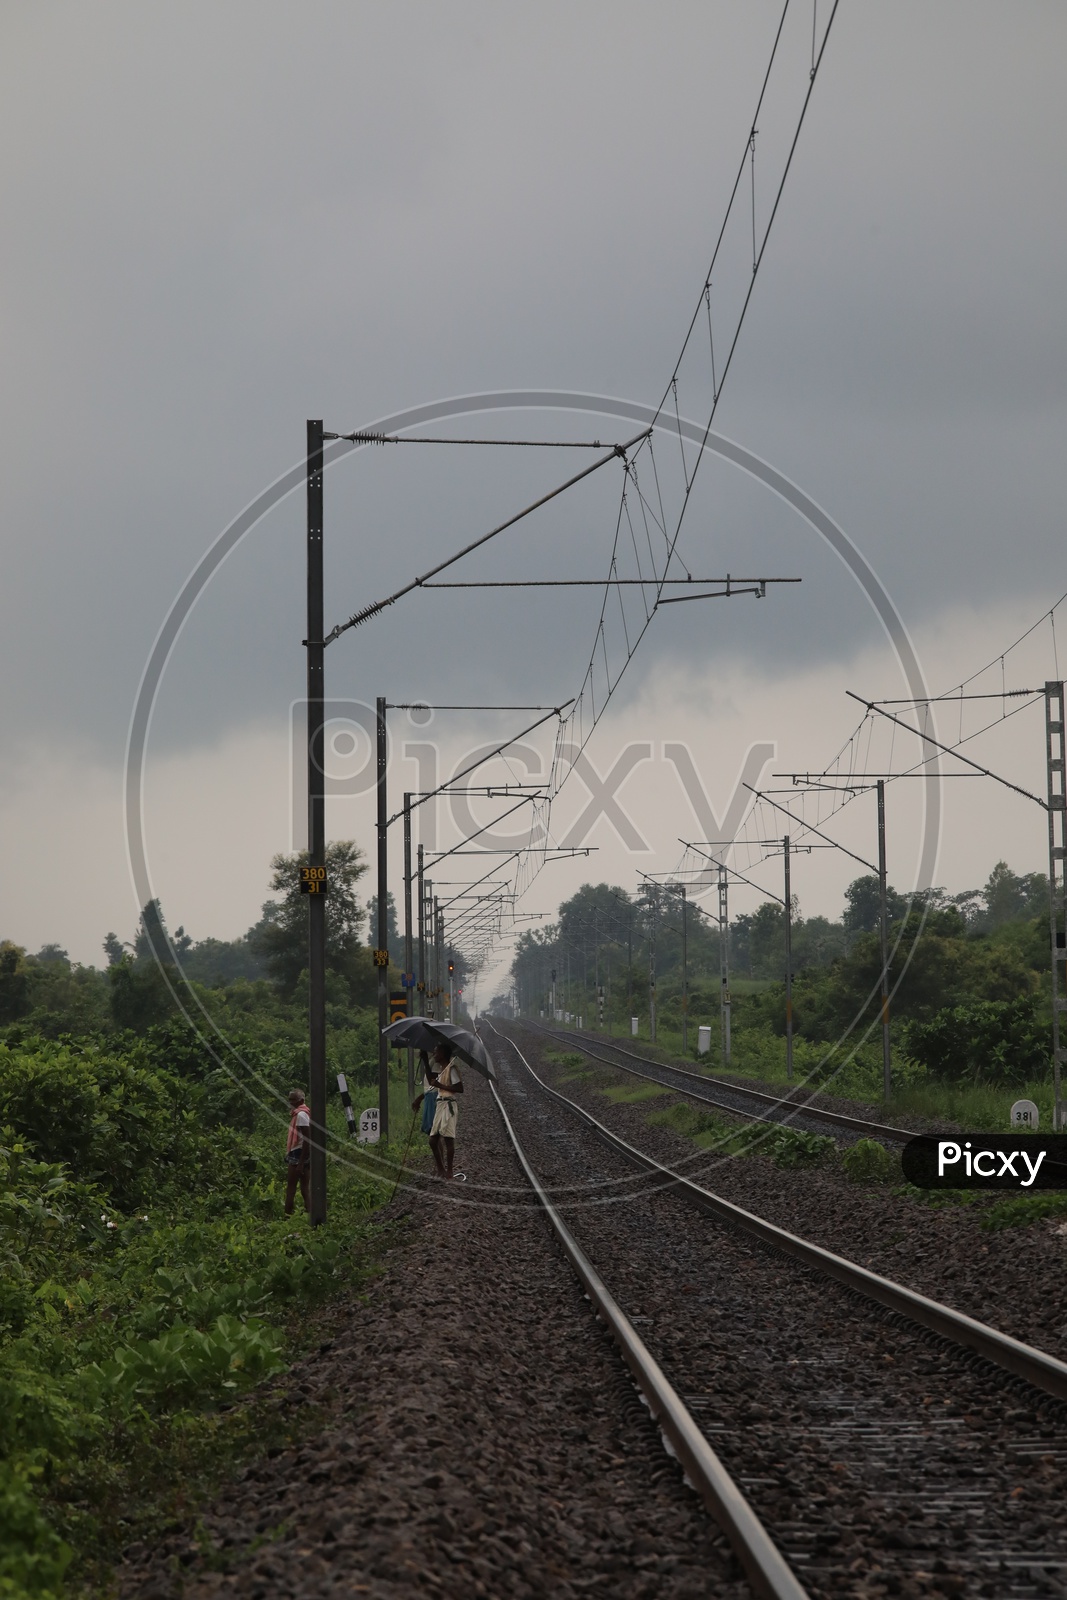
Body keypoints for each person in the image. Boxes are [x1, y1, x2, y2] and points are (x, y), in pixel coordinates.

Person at [427, 1041, 464, 1179]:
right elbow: (431, 1077)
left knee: (448, 1139)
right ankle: (441, 1169)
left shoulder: (452, 1069)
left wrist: (439, 1084)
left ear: (443, 1054)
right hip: (440, 1105)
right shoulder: (442, 1069)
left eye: (436, 1052)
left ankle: (449, 1171)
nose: (434, 1054)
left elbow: (460, 1088)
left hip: (448, 1105)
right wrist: (425, 1060)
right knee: (433, 1140)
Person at [284, 1088, 311, 1215]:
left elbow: (307, 1139)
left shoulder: (301, 1115)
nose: (291, 1102)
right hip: (303, 1154)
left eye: (293, 1099)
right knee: (305, 1188)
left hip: (298, 1153)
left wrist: (300, 1163)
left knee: (291, 1188)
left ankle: (287, 1217)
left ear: (301, 1100)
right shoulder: (302, 1113)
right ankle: (311, 1214)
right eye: (290, 1099)